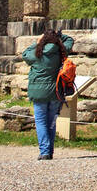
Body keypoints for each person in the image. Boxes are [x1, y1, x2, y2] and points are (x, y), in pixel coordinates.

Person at [22, 28, 75, 161]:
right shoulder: (60, 52)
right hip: (55, 92)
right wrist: (59, 35)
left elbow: (24, 54)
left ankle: (45, 151)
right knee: (51, 122)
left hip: (38, 93)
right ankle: (49, 151)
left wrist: (38, 41)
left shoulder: (36, 53)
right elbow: (70, 40)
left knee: (41, 122)